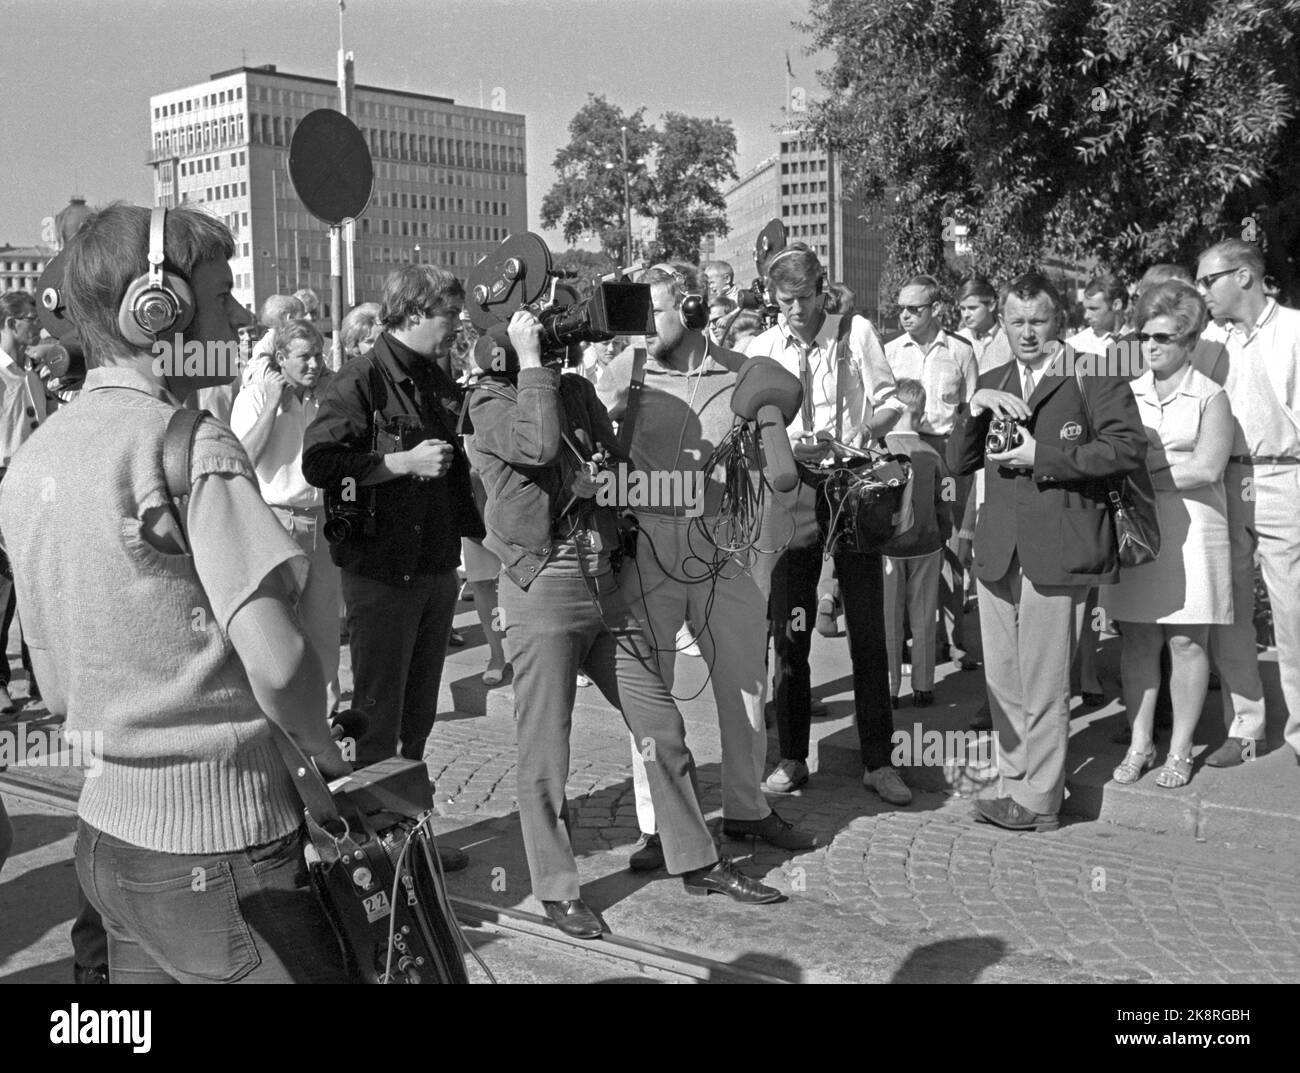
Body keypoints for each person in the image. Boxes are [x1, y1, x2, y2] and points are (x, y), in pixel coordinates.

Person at [0, 202, 351, 982]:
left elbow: (53, 684)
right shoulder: (191, 444)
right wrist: (322, 747)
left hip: (104, 843)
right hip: (221, 844)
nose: (241, 316)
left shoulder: (32, 459)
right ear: (156, 310)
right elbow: (286, 668)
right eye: (223, 295)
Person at [468, 310, 782, 936]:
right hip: (543, 586)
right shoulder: (489, 398)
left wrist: (603, 482)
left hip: (606, 583)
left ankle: (695, 860)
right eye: (540, 334)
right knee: (546, 747)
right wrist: (531, 365)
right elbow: (535, 445)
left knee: (661, 725)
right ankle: (558, 889)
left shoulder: (576, 389)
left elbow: (616, 467)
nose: (557, 343)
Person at [599, 262, 817, 866]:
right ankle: (656, 823)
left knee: (745, 687)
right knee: (648, 691)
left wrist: (764, 563)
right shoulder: (627, 370)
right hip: (647, 549)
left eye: (654, 311)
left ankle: (748, 811)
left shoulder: (741, 375)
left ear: (692, 308)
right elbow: (593, 450)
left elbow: (770, 478)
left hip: (725, 552)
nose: (641, 325)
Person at [947, 271, 1147, 831]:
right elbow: (958, 463)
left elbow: (1127, 447)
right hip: (997, 547)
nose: (1027, 332)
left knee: (1044, 679)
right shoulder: (992, 375)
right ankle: (1014, 784)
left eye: (1037, 321)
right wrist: (975, 407)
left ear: (1057, 320)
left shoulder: (1092, 371)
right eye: (1016, 321)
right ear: (1002, 321)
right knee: (1003, 680)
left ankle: (1040, 800)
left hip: (1058, 545)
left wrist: (1044, 457)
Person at [302, 264, 485, 870]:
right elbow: (321, 463)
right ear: (411, 313)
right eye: (448, 315)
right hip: (381, 571)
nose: (456, 326)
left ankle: (407, 830)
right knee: (377, 716)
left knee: (418, 716)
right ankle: (376, 843)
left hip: (435, 565)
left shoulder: (437, 377)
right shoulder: (360, 380)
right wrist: (398, 464)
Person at [743, 244, 911, 803]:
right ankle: (791, 756)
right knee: (789, 630)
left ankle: (878, 762)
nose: (794, 309)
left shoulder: (855, 332)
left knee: (866, 628)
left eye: (804, 298)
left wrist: (869, 427)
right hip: (793, 490)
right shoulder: (762, 346)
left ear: (822, 290)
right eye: (784, 300)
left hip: (853, 484)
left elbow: (890, 401)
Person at [1101, 282, 1233, 788]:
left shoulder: (1211, 395)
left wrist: (1137, 476)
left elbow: (1207, 467)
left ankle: (1180, 749)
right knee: (1136, 639)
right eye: (1144, 335)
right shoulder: (1125, 393)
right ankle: (1139, 743)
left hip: (1195, 532)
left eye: (1163, 337)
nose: (1151, 346)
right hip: (1137, 532)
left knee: (1185, 641)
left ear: (1189, 340)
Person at [1194, 239, 1300, 767]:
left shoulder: (1295, 331)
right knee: (1229, 608)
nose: (1201, 291)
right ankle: (1246, 727)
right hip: (1226, 482)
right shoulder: (1210, 341)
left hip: (1285, 475)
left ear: (1243, 277)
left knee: (1293, 609)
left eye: (1207, 280)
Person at [231, 318, 340, 720]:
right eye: (304, 357)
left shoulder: (321, 396)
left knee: (324, 631)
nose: (314, 364)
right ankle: (275, 723)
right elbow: (242, 459)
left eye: (318, 355)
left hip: (322, 521)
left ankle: (326, 724)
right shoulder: (255, 397)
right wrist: (274, 406)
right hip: (277, 521)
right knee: (279, 634)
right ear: (280, 358)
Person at [884, 275, 979, 672]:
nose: (905, 315)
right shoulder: (890, 351)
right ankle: (913, 638)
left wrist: (967, 461)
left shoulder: (960, 350)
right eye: (901, 308)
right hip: (902, 451)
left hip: (946, 453)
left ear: (935, 309)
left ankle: (957, 640)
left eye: (914, 309)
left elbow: (972, 410)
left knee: (951, 542)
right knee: (904, 538)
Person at [881, 380, 951, 707]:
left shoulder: (879, 450)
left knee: (889, 617)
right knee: (923, 615)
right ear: (921, 414)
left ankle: (891, 686)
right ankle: (924, 685)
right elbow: (945, 497)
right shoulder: (933, 453)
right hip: (927, 541)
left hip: (888, 546)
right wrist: (944, 531)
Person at [0, 290, 47, 713]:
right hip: (3, 478)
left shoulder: (32, 373)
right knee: (2, 588)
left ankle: (39, 676)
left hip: (32, 482)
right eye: (31, 318)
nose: (38, 324)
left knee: (31, 581)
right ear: (12, 324)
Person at [957, 276, 1012, 374]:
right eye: (962, 308)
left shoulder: (1010, 339)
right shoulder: (957, 341)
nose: (966, 315)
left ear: (991, 305)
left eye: (972, 308)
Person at [1067, 272, 1131, 356]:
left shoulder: (1144, 342)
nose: (1086, 316)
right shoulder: (1075, 347)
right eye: (1085, 309)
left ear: (1116, 305)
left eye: (1093, 309)